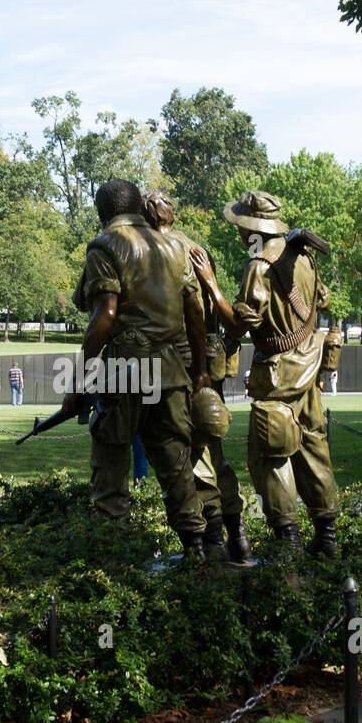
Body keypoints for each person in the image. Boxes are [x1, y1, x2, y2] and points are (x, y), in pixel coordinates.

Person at [190, 189, 340, 556]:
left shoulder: (259, 265)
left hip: (279, 375)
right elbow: (322, 301)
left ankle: (287, 540)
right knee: (313, 447)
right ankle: (328, 536)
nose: (240, 233)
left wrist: (210, 284)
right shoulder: (302, 254)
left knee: (268, 455)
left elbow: (239, 324)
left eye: (241, 226)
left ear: (252, 228)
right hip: (309, 364)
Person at [68, 178, 208, 555]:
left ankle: (114, 563)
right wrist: (198, 370)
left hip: (126, 372)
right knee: (177, 464)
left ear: (102, 212)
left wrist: (79, 378)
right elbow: (195, 313)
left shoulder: (105, 245)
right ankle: (197, 549)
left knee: (111, 462)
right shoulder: (175, 246)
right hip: (172, 372)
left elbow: (105, 314)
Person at [142, 189, 248, 561]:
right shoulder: (197, 249)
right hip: (205, 365)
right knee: (212, 450)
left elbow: (198, 314)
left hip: (182, 365)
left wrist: (199, 367)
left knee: (192, 455)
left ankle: (213, 539)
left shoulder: (154, 254)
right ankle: (235, 534)